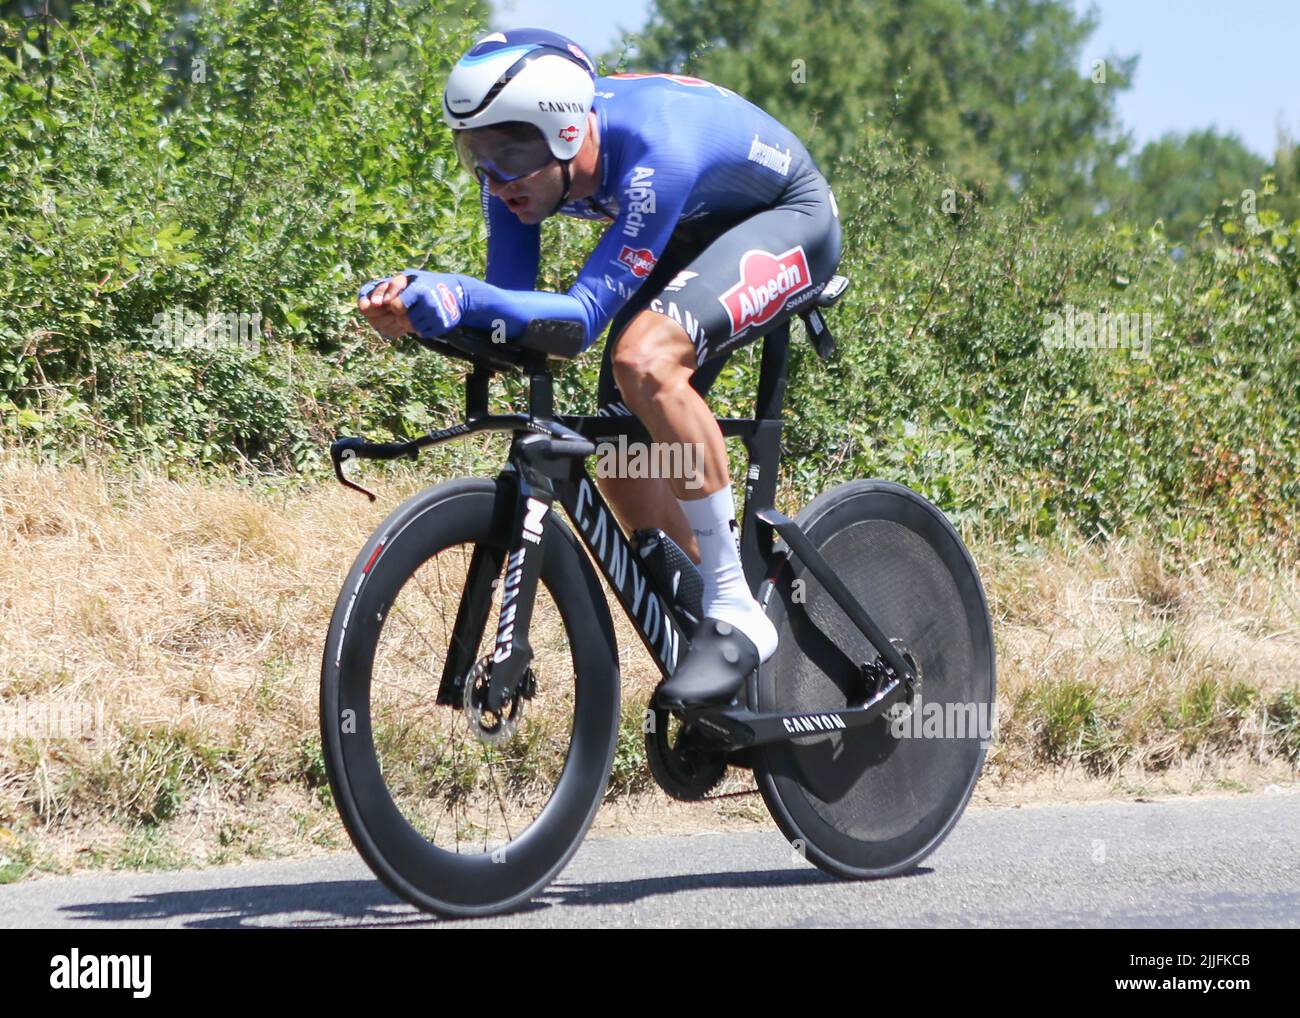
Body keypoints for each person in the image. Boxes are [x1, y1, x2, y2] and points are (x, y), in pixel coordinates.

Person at [358, 28, 842, 708]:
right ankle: (717, 625)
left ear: (562, 133)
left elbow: (581, 319)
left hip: (788, 217)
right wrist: (422, 306)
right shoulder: (519, 176)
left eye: (509, 153)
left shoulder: (651, 152)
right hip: (694, 229)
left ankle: (736, 610)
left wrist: (457, 292)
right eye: (477, 154)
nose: (494, 180)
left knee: (643, 360)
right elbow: (519, 318)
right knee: (619, 448)